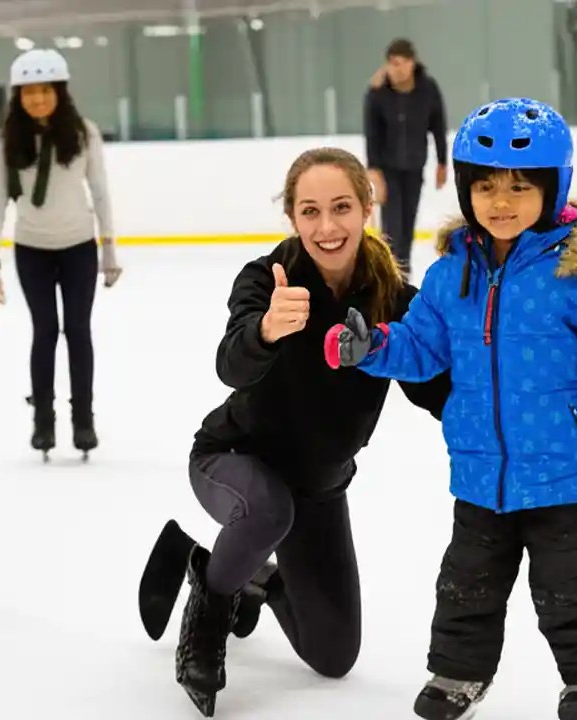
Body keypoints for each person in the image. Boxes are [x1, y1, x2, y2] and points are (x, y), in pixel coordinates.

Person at [326, 98, 577, 720]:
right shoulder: (453, 270)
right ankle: (458, 675)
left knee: (566, 586)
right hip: (481, 469)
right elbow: (424, 345)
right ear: (465, 188)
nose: (501, 200)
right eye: (485, 185)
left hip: (563, 472)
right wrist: (373, 345)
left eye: (519, 185)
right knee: (466, 584)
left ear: (552, 186)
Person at [137, 147, 451, 717]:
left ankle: (240, 571)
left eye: (340, 208)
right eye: (310, 211)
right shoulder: (267, 278)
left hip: (319, 487)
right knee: (265, 510)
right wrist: (266, 329)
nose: (326, 227)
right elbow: (231, 365)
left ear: (366, 207)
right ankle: (208, 615)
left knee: (333, 655)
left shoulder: (396, 301)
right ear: (292, 217)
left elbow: (435, 391)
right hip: (232, 460)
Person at [0, 47, 120, 459]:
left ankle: (84, 419)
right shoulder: (10, 140)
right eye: (28, 92)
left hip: (78, 247)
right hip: (32, 250)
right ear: (18, 97)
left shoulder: (83, 133)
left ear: (59, 92)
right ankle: (43, 418)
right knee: (44, 332)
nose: (37, 99)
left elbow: (100, 192)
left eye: (45, 90)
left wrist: (109, 250)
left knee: (77, 331)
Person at [363, 37, 448, 277]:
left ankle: (403, 275)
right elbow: (372, 133)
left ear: (412, 63)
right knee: (392, 227)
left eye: (401, 63)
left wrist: (442, 162)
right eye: (391, 63)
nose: (395, 69)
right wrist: (374, 171)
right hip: (387, 169)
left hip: (414, 166)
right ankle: (389, 274)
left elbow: (438, 125)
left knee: (407, 226)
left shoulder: (428, 88)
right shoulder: (378, 92)